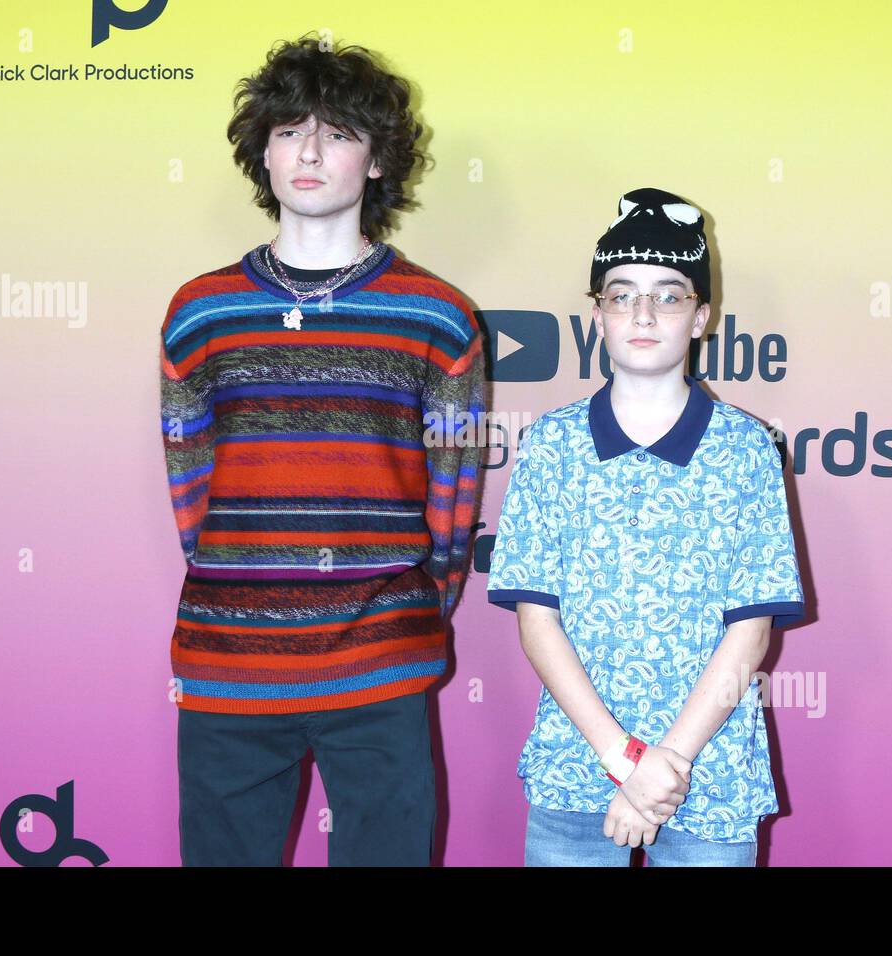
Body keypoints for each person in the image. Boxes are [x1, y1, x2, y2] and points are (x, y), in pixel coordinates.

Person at [159, 35, 486, 866]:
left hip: (381, 664)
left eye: (338, 132)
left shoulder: (438, 317)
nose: (308, 151)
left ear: (377, 161)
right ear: (261, 151)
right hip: (229, 664)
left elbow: (452, 505)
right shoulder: (200, 313)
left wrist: (402, 617)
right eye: (288, 130)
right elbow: (190, 494)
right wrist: (252, 590)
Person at [486, 187, 806, 866]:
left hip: (709, 774)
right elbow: (537, 620)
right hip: (577, 772)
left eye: (668, 294)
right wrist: (622, 758)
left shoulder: (747, 449)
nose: (642, 312)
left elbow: (750, 630)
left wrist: (667, 761)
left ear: (701, 317)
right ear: (596, 314)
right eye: (621, 293)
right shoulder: (552, 443)